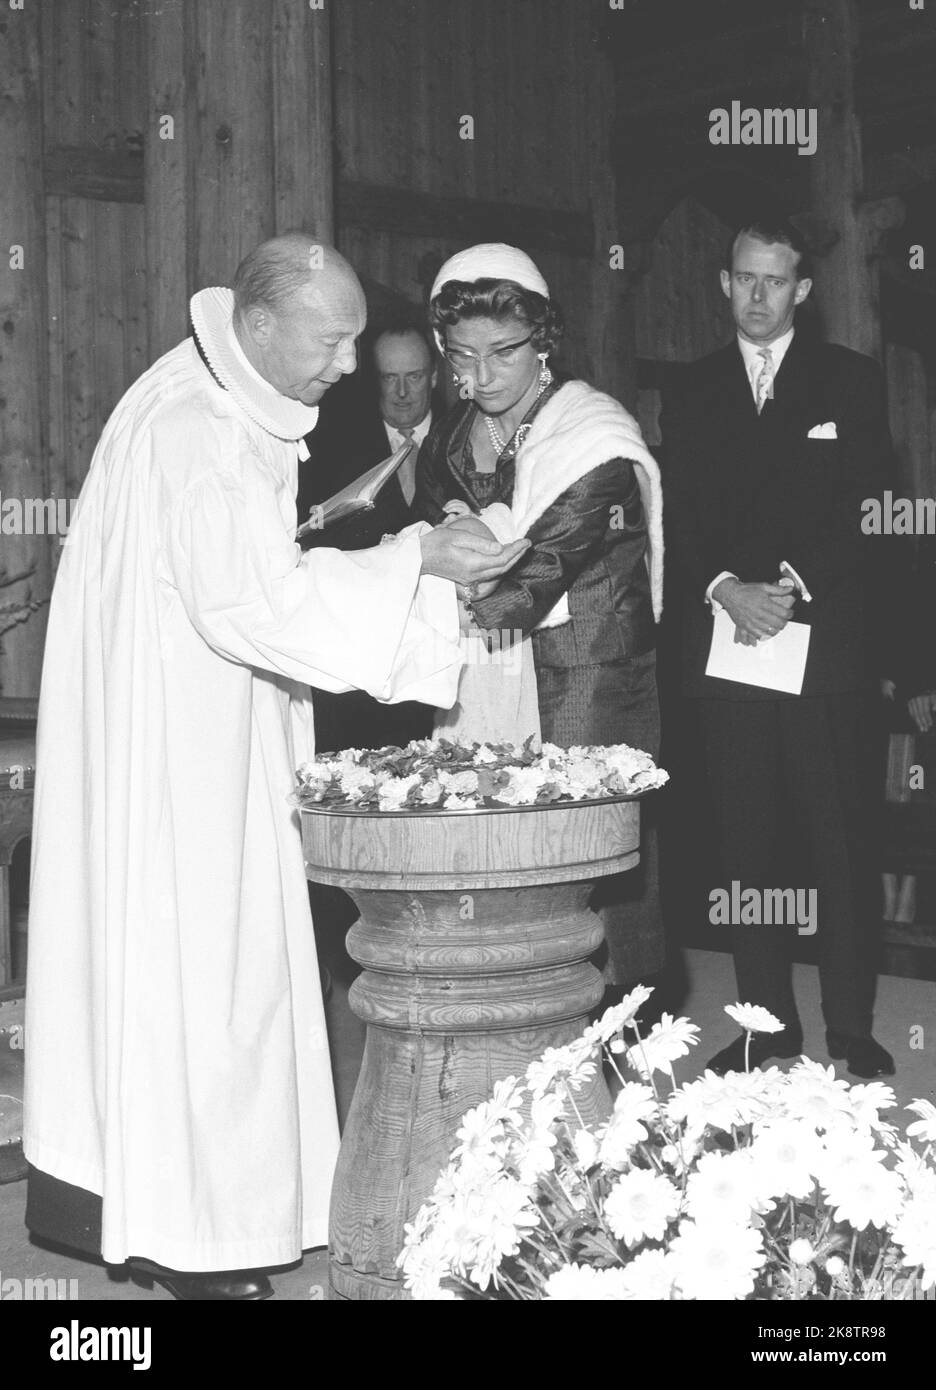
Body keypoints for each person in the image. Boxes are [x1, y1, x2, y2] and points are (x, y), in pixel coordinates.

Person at [22, 232, 528, 1299]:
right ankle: (200, 1237)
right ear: (259, 326)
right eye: (332, 339)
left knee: (200, 978)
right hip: (183, 755)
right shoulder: (199, 429)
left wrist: (394, 562)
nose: (348, 364)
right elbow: (249, 604)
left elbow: (252, 576)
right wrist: (413, 562)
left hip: (192, 719)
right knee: (213, 979)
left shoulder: (211, 395)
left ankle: (183, 1210)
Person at [662, 217, 896, 1079]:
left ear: (803, 290)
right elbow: (677, 515)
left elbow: (869, 505)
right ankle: (766, 1027)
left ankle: (852, 1030)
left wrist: (788, 586)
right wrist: (726, 587)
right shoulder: (689, 391)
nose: (758, 296)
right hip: (727, 645)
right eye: (744, 278)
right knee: (746, 850)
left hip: (820, 640)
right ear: (724, 282)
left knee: (840, 845)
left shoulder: (851, 380)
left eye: (776, 281)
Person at [415, 243, 665, 988]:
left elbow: (539, 571)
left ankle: (626, 1038)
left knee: (593, 856)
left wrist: (414, 590)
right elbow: (434, 532)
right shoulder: (450, 439)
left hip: (587, 673)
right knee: (497, 843)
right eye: (461, 356)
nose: (480, 376)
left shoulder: (594, 435)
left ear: (543, 341)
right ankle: (524, 1020)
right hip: (490, 670)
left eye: (502, 353)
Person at [299, 319, 442, 753]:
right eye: (389, 378)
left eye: (414, 377)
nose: (401, 393)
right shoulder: (330, 447)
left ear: (434, 377)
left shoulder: (464, 440)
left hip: (439, 657)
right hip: (362, 663)